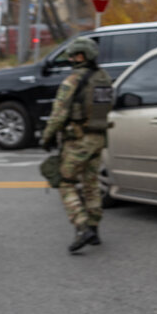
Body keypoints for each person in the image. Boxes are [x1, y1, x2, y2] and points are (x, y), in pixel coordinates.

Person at [39, 37, 113, 253]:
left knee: (65, 182)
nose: (70, 59)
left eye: (72, 55)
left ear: (81, 56)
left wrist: (46, 137)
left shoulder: (72, 81)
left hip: (78, 140)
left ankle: (82, 227)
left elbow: (58, 114)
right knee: (91, 183)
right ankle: (94, 229)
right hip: (98, 138)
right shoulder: (104, 78)